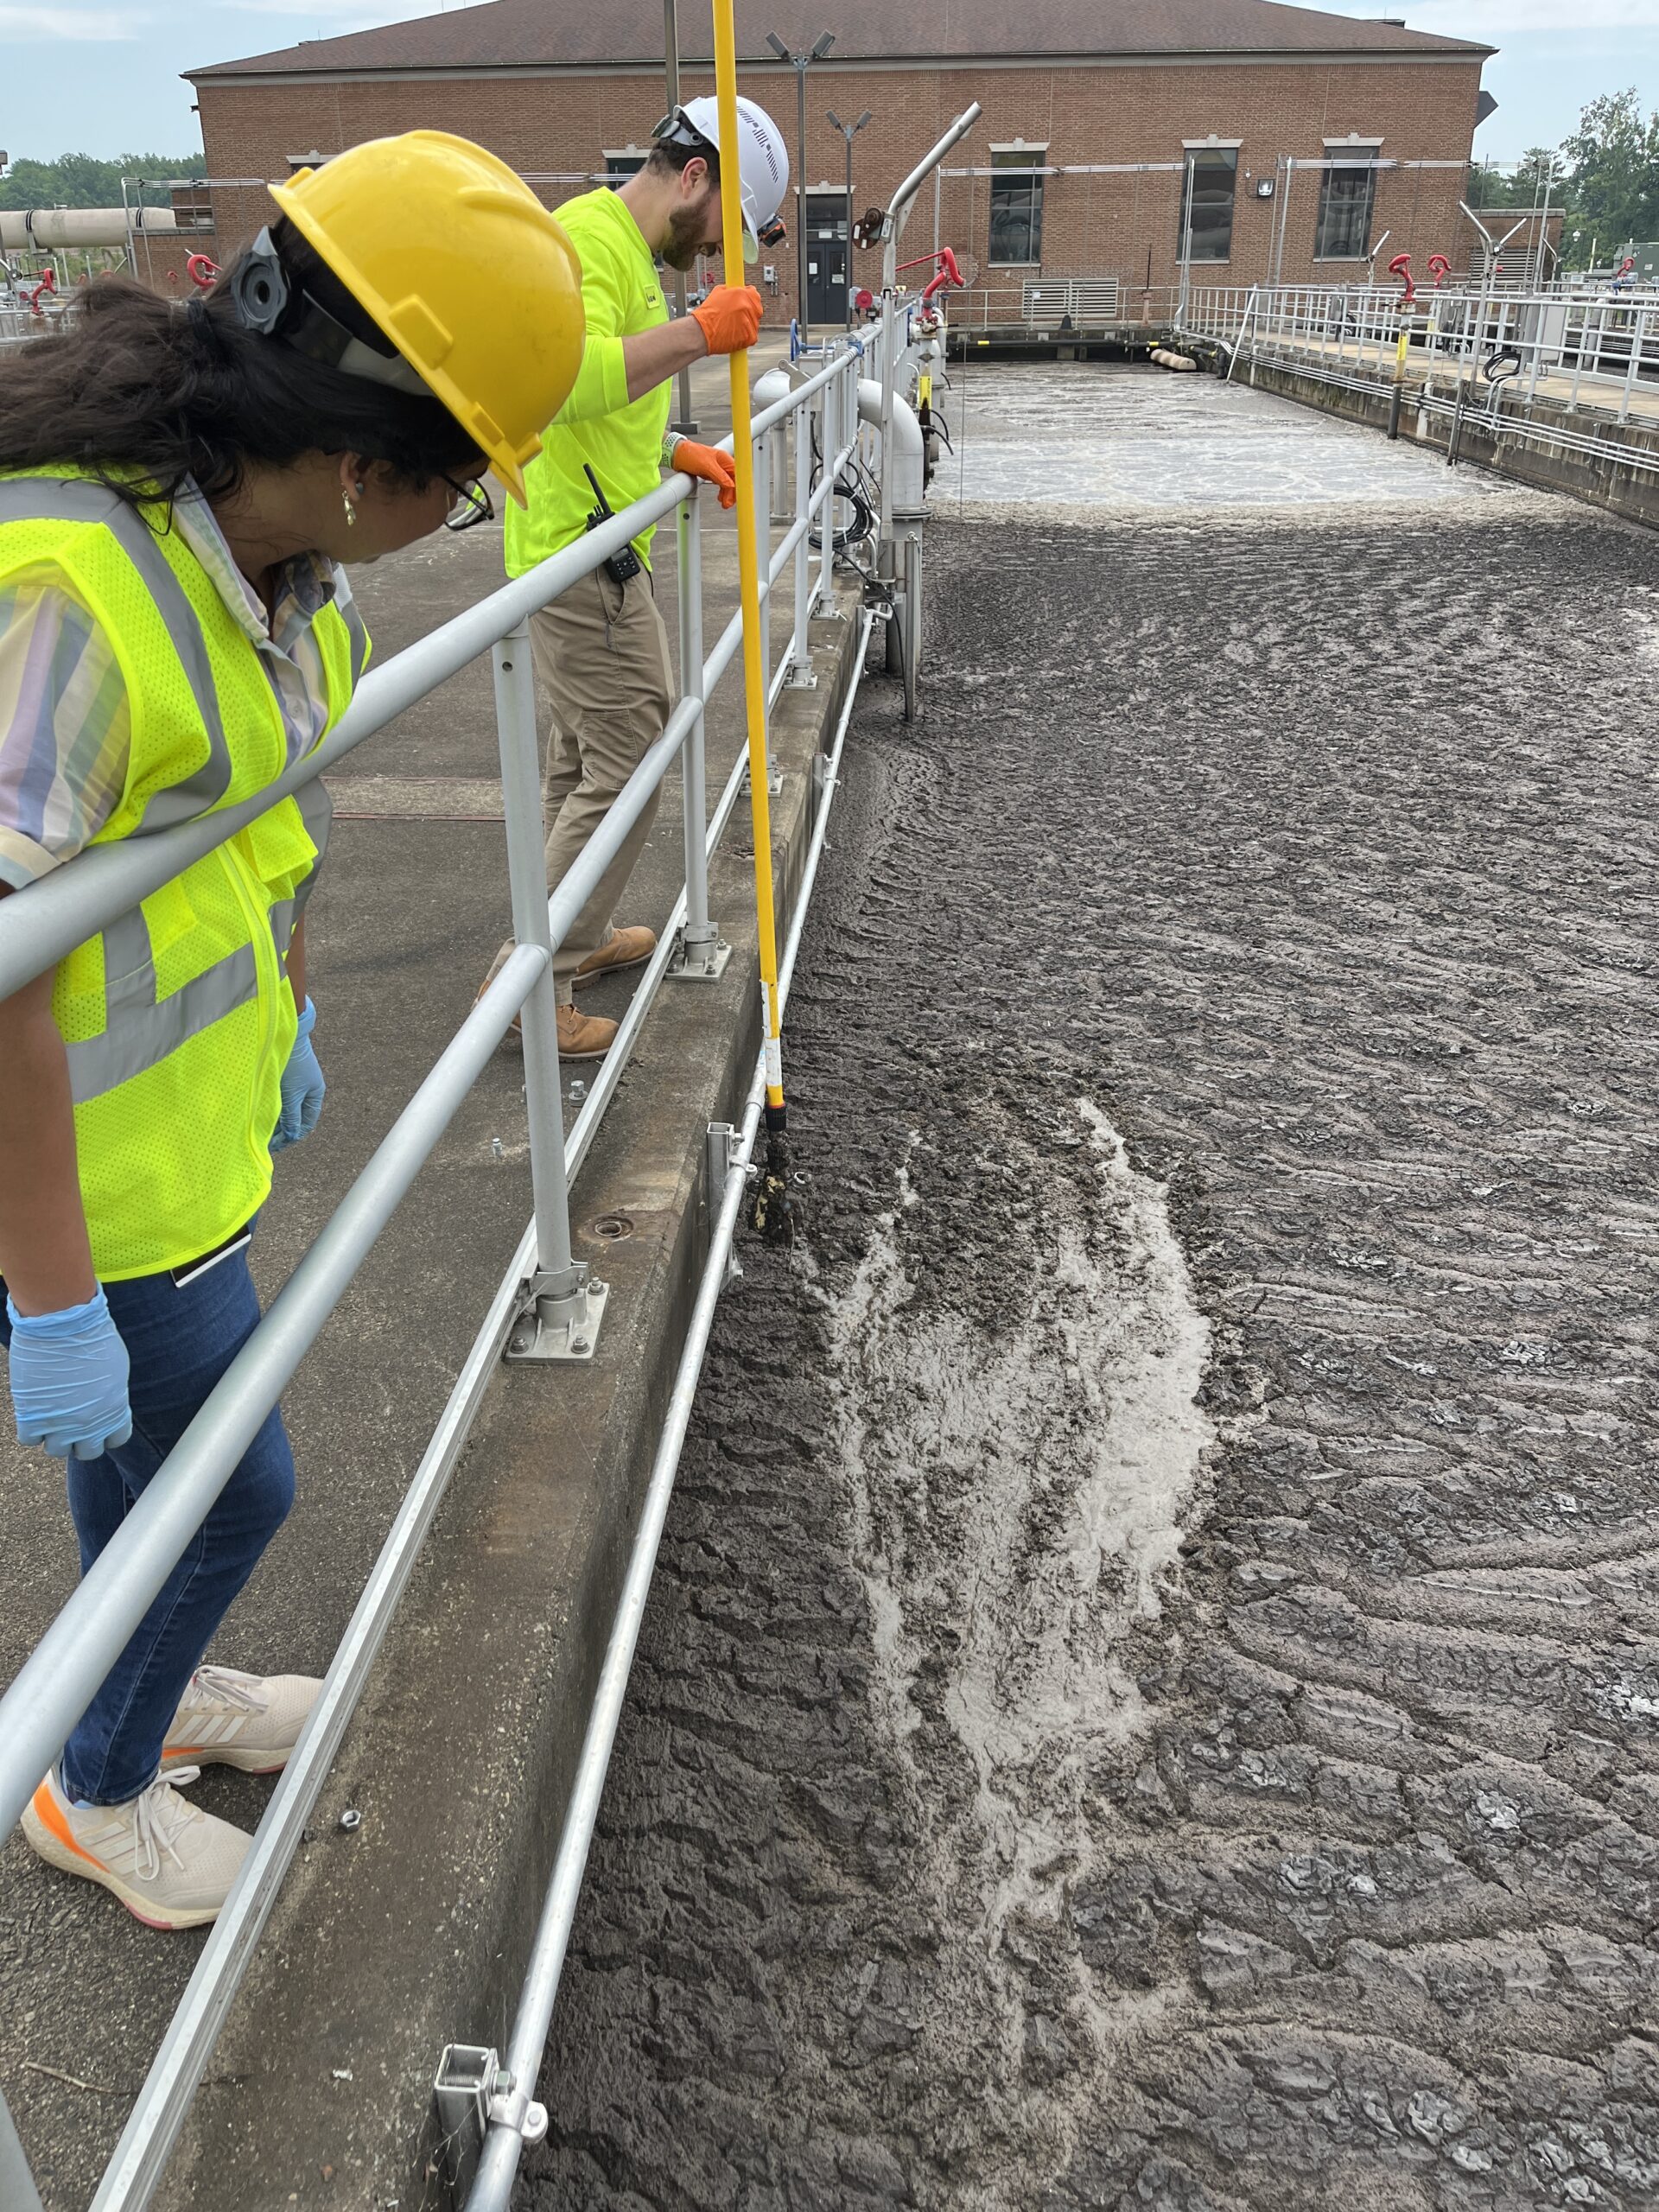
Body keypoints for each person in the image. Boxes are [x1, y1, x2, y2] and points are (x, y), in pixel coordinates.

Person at [0, 130, 584, 1929]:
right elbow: (4, 962)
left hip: (188, 1134)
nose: (452, 524)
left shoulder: (269, 562)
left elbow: (273, 813)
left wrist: (305, 1000)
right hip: (90, 1190)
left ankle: (146, 1700)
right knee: (237, 1487)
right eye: (460, 488)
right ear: (360, 465)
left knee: (162, 1484)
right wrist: (48, 1295)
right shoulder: (71, 587)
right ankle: (95, 1788)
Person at [484, 94, 791, 1058]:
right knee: (630, 770)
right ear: (694, 177)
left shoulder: (620, 250)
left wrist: (671, 452)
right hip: (583, 560)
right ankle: (535, 982)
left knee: (584, 765)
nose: (710, 258)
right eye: (719, 235)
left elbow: (600, 413)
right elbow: (553, 379)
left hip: (590, 542)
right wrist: (700, 334)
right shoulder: (587, 239)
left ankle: (561, 940)